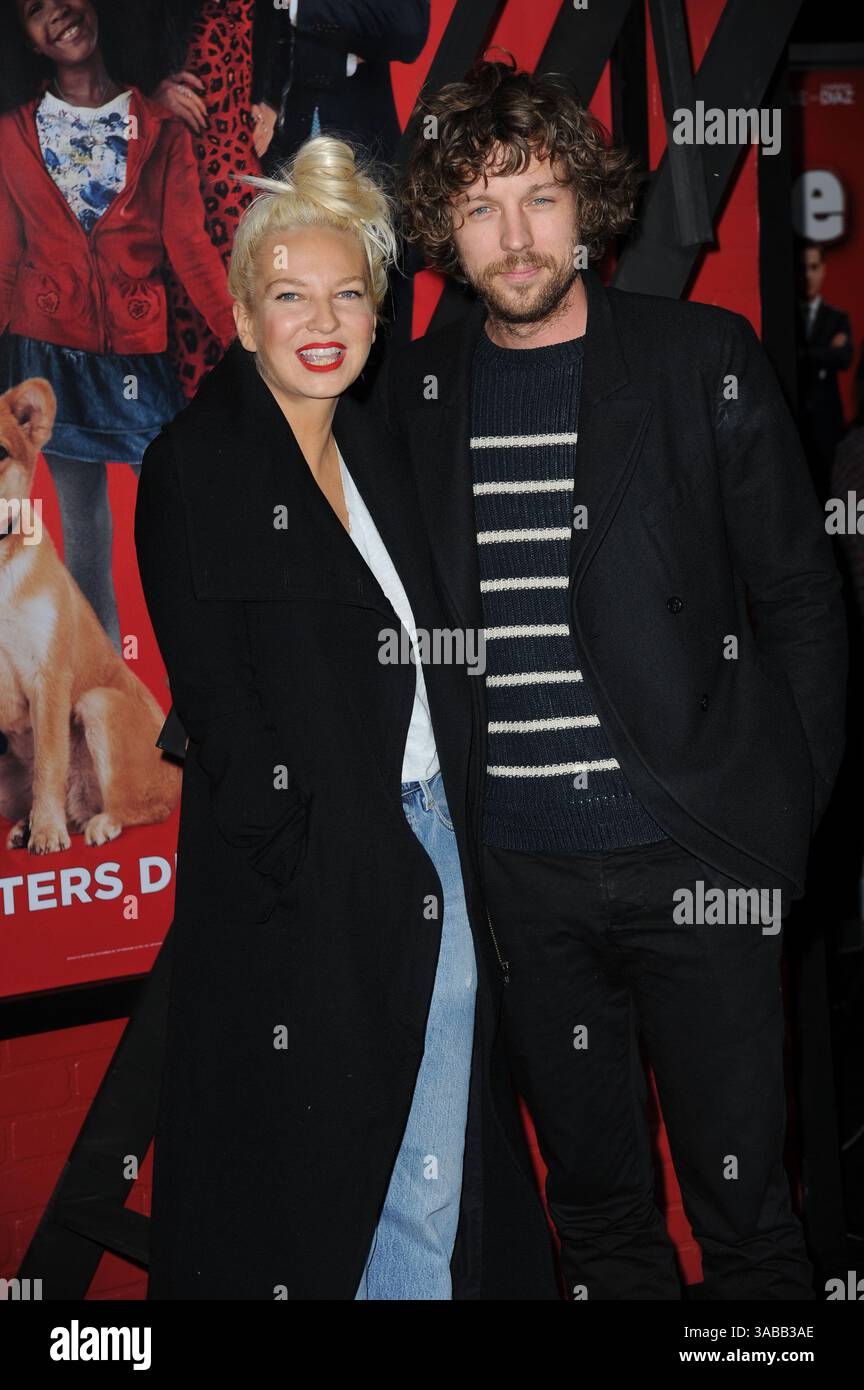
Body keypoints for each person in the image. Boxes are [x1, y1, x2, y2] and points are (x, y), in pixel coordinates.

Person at [387, 59, 848, 1299]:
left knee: (750, 1217)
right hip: (523, 886)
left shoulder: (705, 357)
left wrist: (779, 810)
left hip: (699, 860)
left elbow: (806, 597)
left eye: (538, 198)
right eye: (481, 208)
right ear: (446, 228)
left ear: (585, 205)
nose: (515, 235)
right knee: (597, 1219)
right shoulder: (419, 399)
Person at [134, 134, 558, 1300]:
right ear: (239, 313)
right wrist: (315, 860)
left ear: (375, 316)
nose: (321, 319)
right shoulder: (194, 469)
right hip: (309, 884)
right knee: (333, 1179)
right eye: (288, 295)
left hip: (435, 848)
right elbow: (224, 711)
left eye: (347, 294)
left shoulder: (382, 446)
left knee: (431, 1169)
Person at [0, 0, 235, 650]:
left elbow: (191, 251)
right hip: (48, 364)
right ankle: (104, 703)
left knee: (182, 529)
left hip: (138, 364)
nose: (58, 13)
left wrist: (248, 348)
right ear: (23, 37)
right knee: (83, 539)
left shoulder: (159, 127)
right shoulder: (11, 135)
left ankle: (205, 701)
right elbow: (4, 263)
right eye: (32, 9)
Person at [796, 239, 854, 504]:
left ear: (823, 269)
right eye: (803, 267)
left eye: (814, 267)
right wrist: (823, 353)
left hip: (828, 420)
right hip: (796, 417)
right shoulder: (787, 317)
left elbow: (843, 357)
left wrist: (807, 355)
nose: (808, 274)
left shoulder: (837, 317)